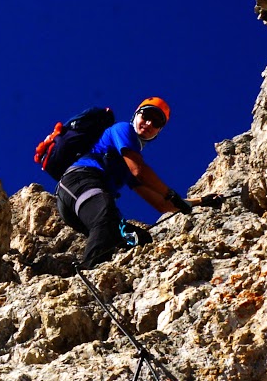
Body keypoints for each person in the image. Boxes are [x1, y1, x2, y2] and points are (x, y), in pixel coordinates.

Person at [55, 97, 192, 268]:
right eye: (146, 116)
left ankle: (105, 273)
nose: (149, 123)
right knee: (107, 218)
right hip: (79, 181)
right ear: (136, 115)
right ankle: (90, 272)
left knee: (139, 239)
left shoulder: (127, 160)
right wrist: (171, 194)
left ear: (158, 131)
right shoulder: (123, 129)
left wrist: (200, 202)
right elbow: (139, 171)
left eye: (156, 123)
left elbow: (161, 204)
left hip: (78, 198)